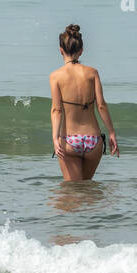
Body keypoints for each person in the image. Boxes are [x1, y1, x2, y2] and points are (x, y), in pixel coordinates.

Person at [49, 23, 119, 180]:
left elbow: (56, 110)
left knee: (73, 193)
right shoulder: (92, 73)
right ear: (81, 51)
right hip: (93, 141)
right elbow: (101, 105)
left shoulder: (55, 76)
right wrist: (112, 133)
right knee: (86, 189)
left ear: (61, 50)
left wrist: (55, 138)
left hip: (69, 140)